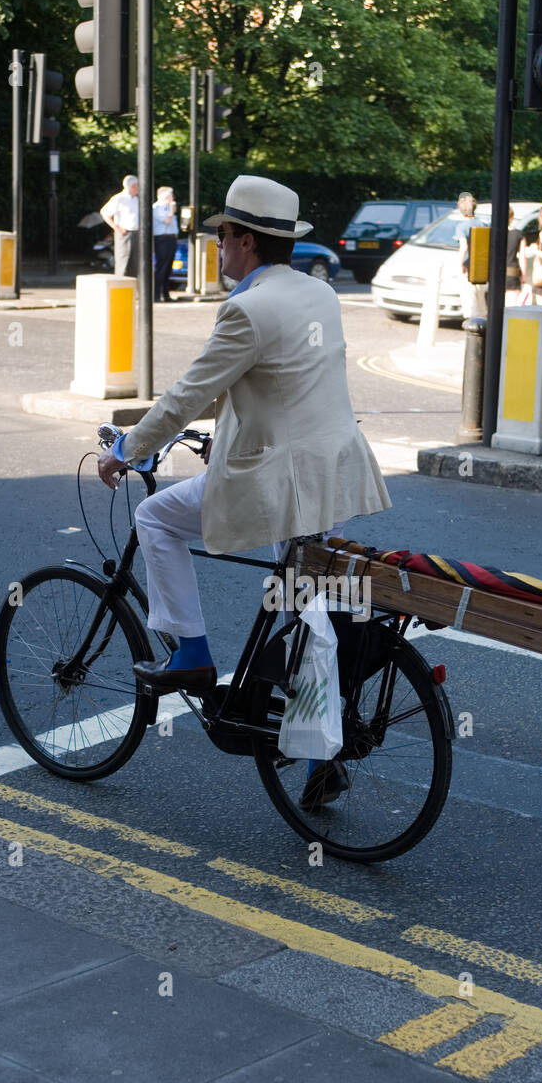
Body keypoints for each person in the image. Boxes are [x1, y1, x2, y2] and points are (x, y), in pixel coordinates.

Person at [96, 175, 391, 807]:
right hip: (331, 473)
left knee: (154, 518)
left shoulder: (246, 311)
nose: (217, 248)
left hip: (279, 483)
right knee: (309, 614)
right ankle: (319, 760)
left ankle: (194, 655)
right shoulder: (319, 294)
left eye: (223, 236)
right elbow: (289, 387)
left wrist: (125, 450)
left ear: (247, 241)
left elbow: (185, 398)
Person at [454, 192, 487, 319]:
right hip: (482, 269)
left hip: (468, 269)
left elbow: (464, 247)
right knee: (482, 305)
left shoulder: (461, 227)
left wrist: (460, 264)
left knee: (471, 306)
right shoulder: (483, 224)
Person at [100, 175, 139, 278]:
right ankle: (121, 288)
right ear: (132, 186)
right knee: (123, 262)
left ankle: (133, 290)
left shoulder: (136, 199)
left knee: (135, 264)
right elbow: (104, 213)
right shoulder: (119, 198)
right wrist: (116, 228)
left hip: (136, 232)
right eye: (137, 186)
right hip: (124, 233)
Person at [153, 186, 179, 302]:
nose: (173, 198)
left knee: (168, 268)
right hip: (162, 238)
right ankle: (157, 295)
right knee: (162, 267)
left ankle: (166, 294)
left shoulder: (167, 207)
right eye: (170, 195)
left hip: (171, 238)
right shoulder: (157, 207)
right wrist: (171, 210)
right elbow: (167, 220)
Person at [504, 206, 528, 306]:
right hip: (512, 272)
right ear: (512, 218)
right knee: (511, 305)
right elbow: (522, 256)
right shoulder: (519, 235)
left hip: (495, 273)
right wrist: (523, 275)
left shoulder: (492, 233)